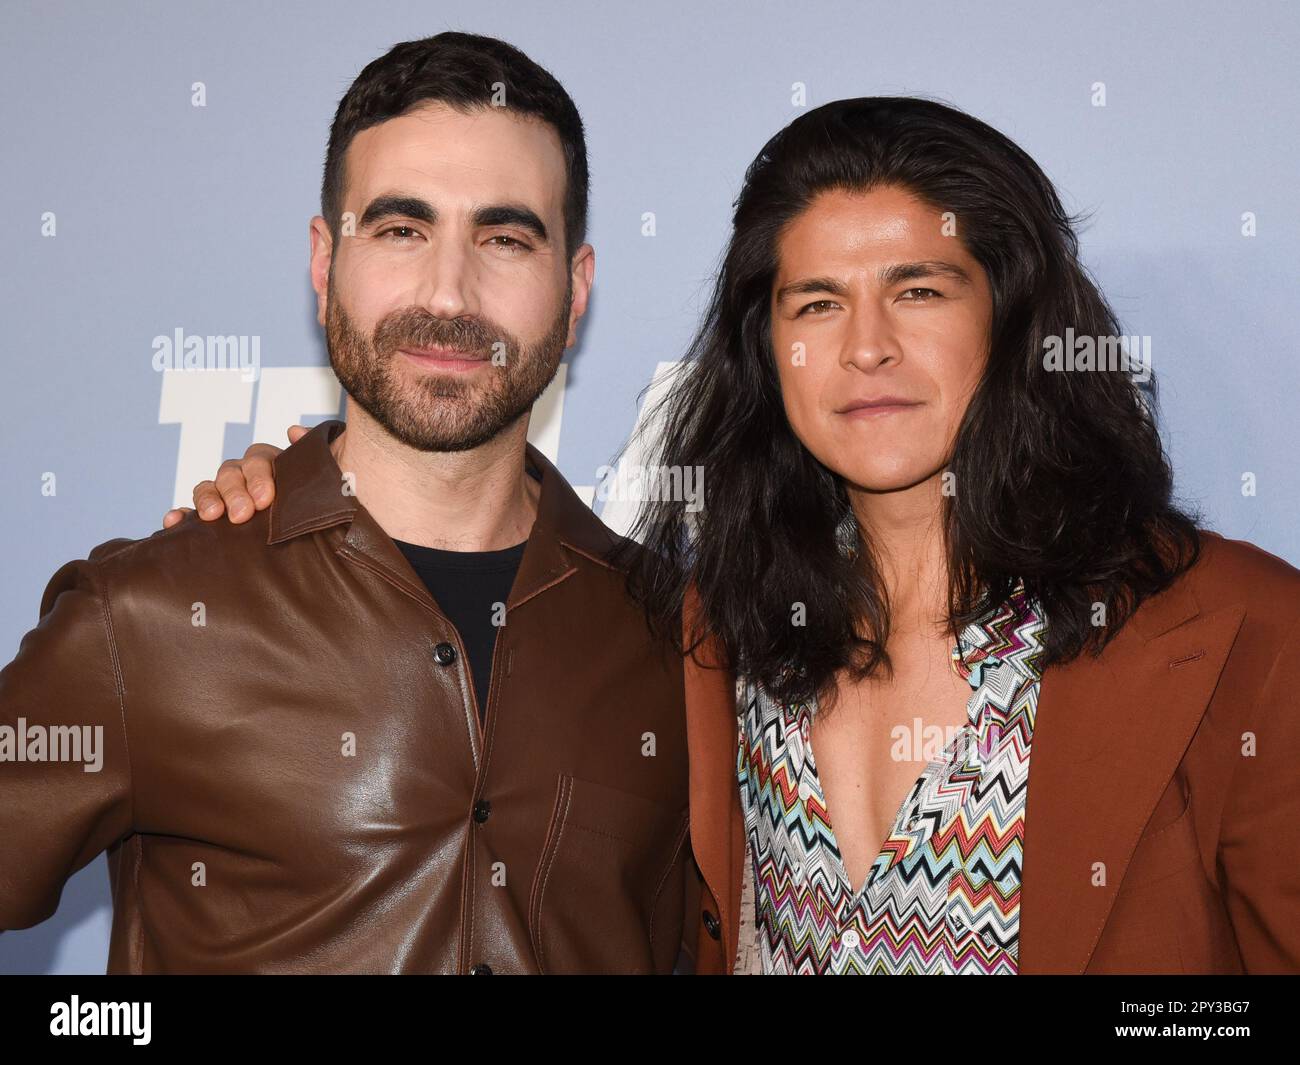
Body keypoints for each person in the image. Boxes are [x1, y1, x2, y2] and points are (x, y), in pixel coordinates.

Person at [181, 95, 1300, 976]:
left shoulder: (1230, 630)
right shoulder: (720, 629)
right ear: (767, 347)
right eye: (815, 302)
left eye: (916, 292)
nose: (864, 347)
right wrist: (305, 484)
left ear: (1009, 319)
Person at [0, 31, 699, 975]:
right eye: (402, 230)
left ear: (574, 289)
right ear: (326, 262)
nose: (449, 291)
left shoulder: (677, 638)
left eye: (503, 236)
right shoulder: (147, 618)